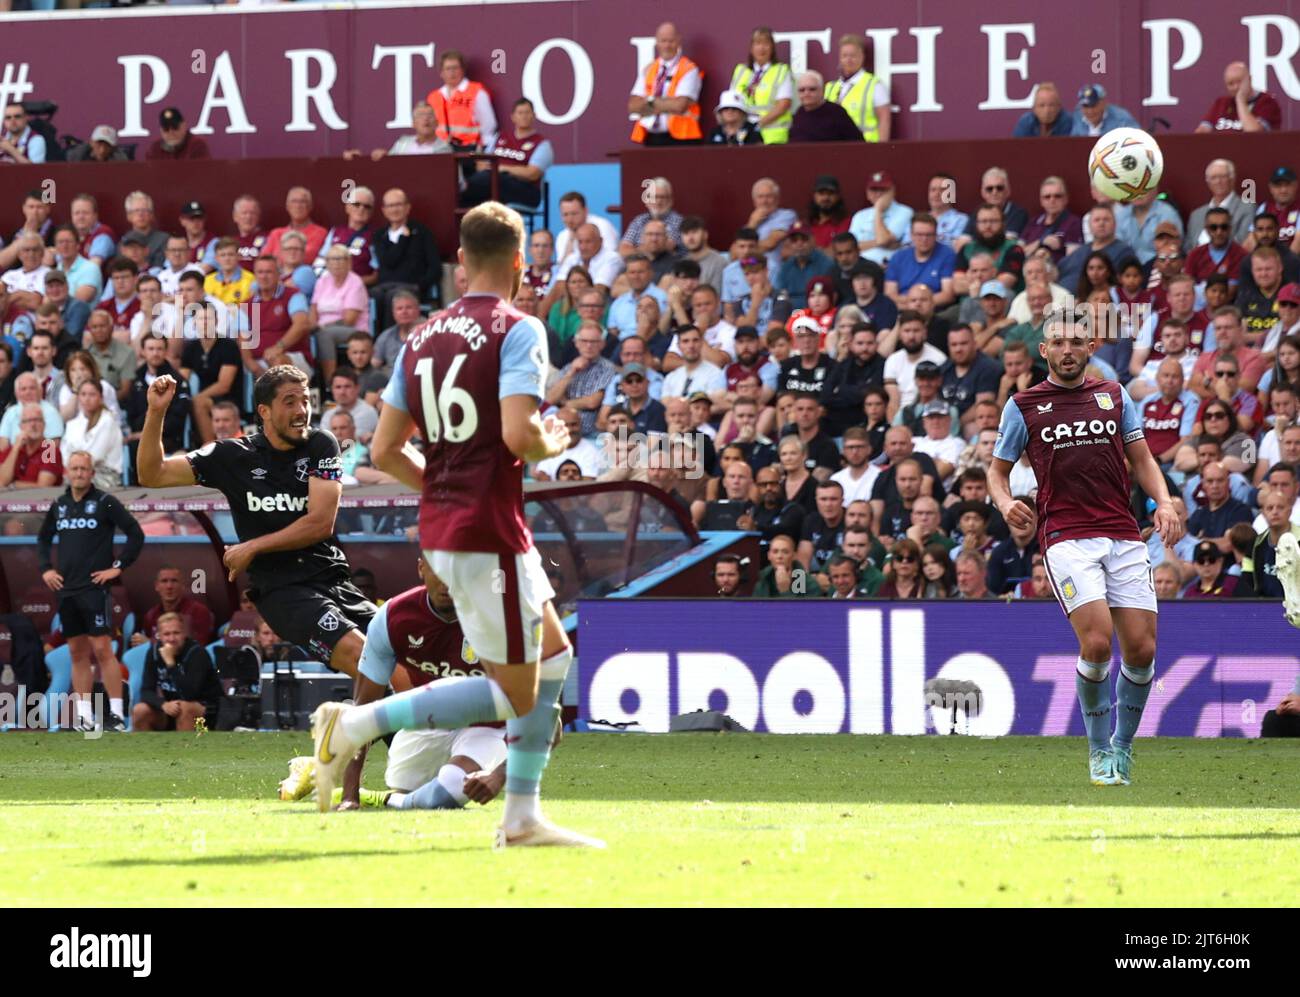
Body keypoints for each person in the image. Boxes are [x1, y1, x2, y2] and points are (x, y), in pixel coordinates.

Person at [328, 200, 600, 848]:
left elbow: (386, 449)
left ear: (459, 265)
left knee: (555, 660)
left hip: (454, 528)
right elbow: (517, 432)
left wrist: (444, 487)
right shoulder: (519, 329)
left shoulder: (418, 337)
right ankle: (356, 726)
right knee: (519, 694)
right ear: (517, 262)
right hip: (486, 531)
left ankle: (521, 816)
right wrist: (550, 440)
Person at [989, 309, 1183, 786]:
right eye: (1059, 342)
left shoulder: (1113, 396)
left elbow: (1141, 457)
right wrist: (1004, 502)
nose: (1068, 350)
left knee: (1141, 651)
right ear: (1045, 350)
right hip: (1066, 538)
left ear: (1091, 347)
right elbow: (996, 471)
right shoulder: (1024, 406)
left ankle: (1121, 747)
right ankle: (1098, 752)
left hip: (1122, 533)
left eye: (1077, 341)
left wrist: (1164, 503)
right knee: (1096, 642)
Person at [137, 366, 376, 681]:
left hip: (335, 581)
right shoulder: (232, 455)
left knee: (401, 651)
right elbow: (152, 475)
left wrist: (252, 547)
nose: (301, 410)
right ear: (264, 410)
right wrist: (156, 412)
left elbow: (320, 523)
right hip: (284, 591)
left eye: (305, 401)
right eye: (289, 402)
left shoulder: (321, 444)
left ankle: (362, 729)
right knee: (366, 658)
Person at [286, 560, 511, 810]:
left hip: (488, 726)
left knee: (446, 796)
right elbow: (363, 708)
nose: (447, 581)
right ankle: (333, 771)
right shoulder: (393, 617)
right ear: (421, 568)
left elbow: (545, 718)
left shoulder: (499, 621)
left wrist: (499, 774)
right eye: (438, 569)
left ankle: (386, 798)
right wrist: (350, 797)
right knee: (408, 788)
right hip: (431, 723)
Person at [38, 451, 144, 733]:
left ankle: (117, 715)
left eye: (84, 468)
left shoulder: (105, 502)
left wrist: (117, 567)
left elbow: (136, 533)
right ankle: (85, 715)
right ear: (67, 472)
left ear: (91, 473)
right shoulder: (59, 505)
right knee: (76, 652)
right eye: (74, 468)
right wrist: (46, 568)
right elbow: (43, 538)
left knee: (102, 649)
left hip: (95, 588)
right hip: (68, 589)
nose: (79, 473)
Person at [131, 613, 221, 733]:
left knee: (184, 707)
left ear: (184, 634)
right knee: (140, 710)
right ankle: (148, 751)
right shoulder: (154, 652)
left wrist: (171, 663)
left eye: (176, 633)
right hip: (173, 709)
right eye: (167, 634)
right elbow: (146, 691)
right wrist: (163, 704)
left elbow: (189, 694)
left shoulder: (197, 653)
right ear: (159, 636)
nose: (172, 639)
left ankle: (183, 751)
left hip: (207, 715)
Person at [461, 98, 553, 210]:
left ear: (534, 116)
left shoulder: (541, 143)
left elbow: (532, 173)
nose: (524, 116)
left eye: (527, 112)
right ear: (513, 117)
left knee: (496, 178)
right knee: (471, 171)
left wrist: (502, 169)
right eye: (520, 113)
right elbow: (483, 163)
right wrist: (489, 168)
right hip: (493, 184)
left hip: (526, 191)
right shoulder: (500, 137)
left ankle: (464, 188)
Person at [629, 22, 703, 146]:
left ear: (678, 42)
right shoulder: (649, 68)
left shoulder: (689, 69)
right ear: (657, 42)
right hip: (652, 137)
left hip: (682, 138)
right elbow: (633, 106)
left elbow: (680, 105)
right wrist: (667, 104)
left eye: (671, 41)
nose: (667, 45)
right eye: (663, 41)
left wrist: (649, 102)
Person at [728, 27, 793, 144]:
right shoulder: (741, 71)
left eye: (766, 44)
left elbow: (784, 105)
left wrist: (757, 125)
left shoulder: (781, 70)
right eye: (757, 43)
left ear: (772, 48)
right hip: (743, 135)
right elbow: (732, 102)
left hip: (772, 135)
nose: (761, 48)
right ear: (751, 48)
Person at [823, 33, 891, 142]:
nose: (849, 60)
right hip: (836, 147)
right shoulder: (830, 87)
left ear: (862, 57)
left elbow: (884, 120)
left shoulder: (874, 85)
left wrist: (882, 150)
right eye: (844, 56)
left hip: (865, 146)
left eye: (853, 55)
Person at [60, 380, 122, 489]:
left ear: (101, 398)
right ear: (78, 397)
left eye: (92, 394)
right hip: (75, 472)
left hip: (104, 475)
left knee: (73, 484)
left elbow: (95, 455)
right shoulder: (72, 424)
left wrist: (75, 459)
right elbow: (64, 452)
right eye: (83, 394)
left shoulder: (108, 421)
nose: (87, 399)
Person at [1196, 61, 1283, 133]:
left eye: (1239, 81)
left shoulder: (1267, 102)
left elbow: (1254, 133)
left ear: (1249, 79)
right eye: (1231, 84)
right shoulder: (1221, 102)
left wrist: (1240, 100)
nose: (1236, 87)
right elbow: (1203, 130)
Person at [788, 71, 862, 143]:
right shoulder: (799, 113)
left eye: (812, 89)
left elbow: (857, 144)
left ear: (822, 90)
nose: (806, 93)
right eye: (802, 90)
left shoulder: (837, 113)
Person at [0, 404, 61, 488]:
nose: (33, 425)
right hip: (11, 500)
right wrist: (15, 449)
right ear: (21, 426)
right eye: (28, 421)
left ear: (44, 425)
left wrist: (13, 486)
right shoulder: (13, 449)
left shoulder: (50, 449)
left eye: (37, 420)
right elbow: (2, 482)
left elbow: (44, 488)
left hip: (41, 500)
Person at [1069, 84, 1139, 136]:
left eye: (1093, 105)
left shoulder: (1122, 119)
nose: (1090, 111)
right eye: (1085, 106)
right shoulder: (1077, 117)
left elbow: (1138, 139)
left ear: (1103, 103)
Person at [145, 107, 210, 161]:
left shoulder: (196, 145)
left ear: (184, 126)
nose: (171, 132)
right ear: (161, 130)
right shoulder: (155, 148)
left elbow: (202, 172)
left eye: (175, 127)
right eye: (166, 128)